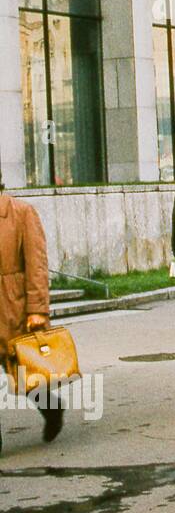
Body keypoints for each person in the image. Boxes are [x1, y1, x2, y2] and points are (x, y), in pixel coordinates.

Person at [0, 171, 63, 455]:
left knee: (23, 371)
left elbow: (36, 264)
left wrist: (37, 309)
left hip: (13, 307)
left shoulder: (21, 213)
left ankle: (51, 408)